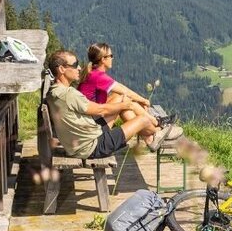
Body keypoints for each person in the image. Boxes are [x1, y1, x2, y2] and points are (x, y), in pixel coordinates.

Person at [46, 50, 176, 159]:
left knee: (117, 98)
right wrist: (126, 105)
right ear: (62, 69)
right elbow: (100, 110)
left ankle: (149, 136)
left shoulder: (56, 91)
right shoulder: (68, 94)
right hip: (92, 146)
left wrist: (124, 104)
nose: (79, 68)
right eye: (75, 64)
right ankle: (157, 132)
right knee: (142, 119)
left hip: (85, 137)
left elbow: (97, 108)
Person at [78, 42, 181, 141]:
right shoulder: (98, 76)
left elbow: (121, 91)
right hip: (92, 126)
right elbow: (125, 90)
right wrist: (144, 100)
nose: (112, 58)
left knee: (119, 97)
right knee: (123, 100)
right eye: (111, 55)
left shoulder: (92, 73)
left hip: (88, 120)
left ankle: (152, 131)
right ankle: (155, 127)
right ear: (103, 59)